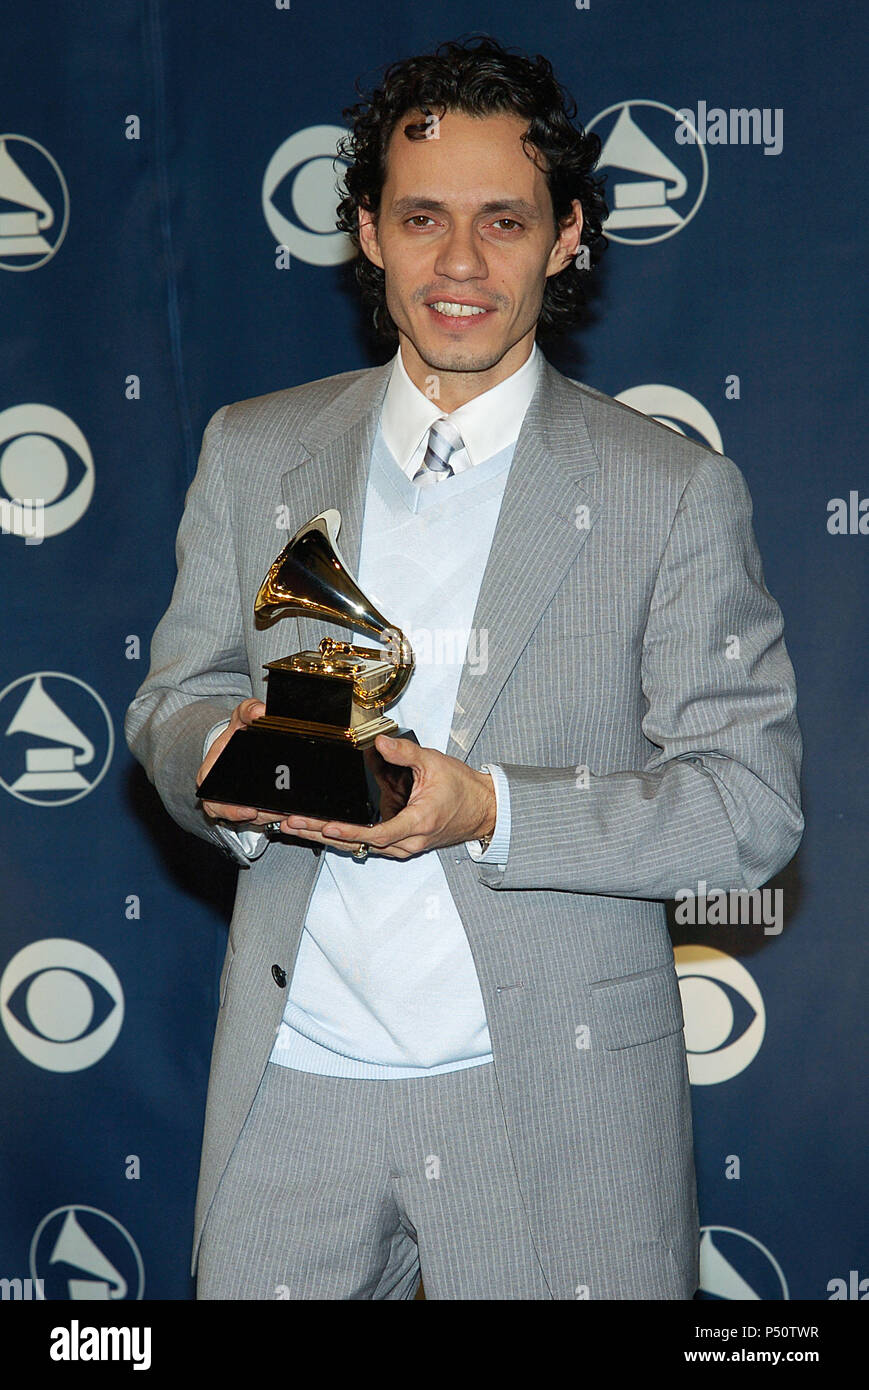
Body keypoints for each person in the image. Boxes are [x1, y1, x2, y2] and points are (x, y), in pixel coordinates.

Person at [125, 36, 803, 1300]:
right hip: (292, 1089)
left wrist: (486, 808)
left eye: (504, 221)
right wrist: (208, 755)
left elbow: (748, 810)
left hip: (554, 1093)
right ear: (368, 232)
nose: (459, 264)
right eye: (422, 217)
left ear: (566, 237)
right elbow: (172, 698)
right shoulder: (249, 450)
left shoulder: (670, 492)